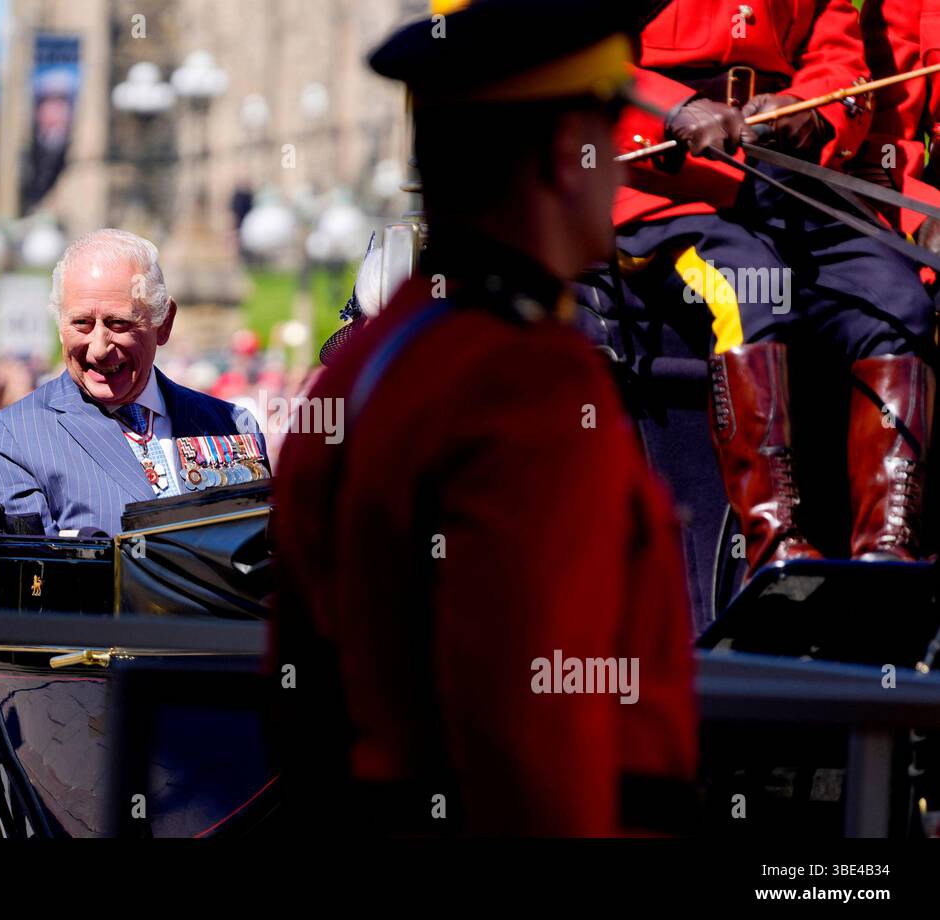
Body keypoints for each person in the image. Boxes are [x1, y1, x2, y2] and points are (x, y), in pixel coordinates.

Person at [272, 0, 698, 836]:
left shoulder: (364, 362)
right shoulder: (527, 382)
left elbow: (300, 690)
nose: (620, 172)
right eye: (609, 141)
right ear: (565, 160)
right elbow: (532, 730)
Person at [596, 0, 935, 577]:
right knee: (753, 289)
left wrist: (812, 111)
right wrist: (669, 108)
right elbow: (570, 53)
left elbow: (836, 42)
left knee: (898, 301)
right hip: (656, 176)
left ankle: (886, 552)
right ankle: (773, 545)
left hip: (777, 171)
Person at [0, 228, 268, 536]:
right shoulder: (15, 437)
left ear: (163, 324)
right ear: (60, 326)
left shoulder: (231, 424)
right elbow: (19, 573)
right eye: (81, 323)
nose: (99, 348)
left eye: (119, 323)